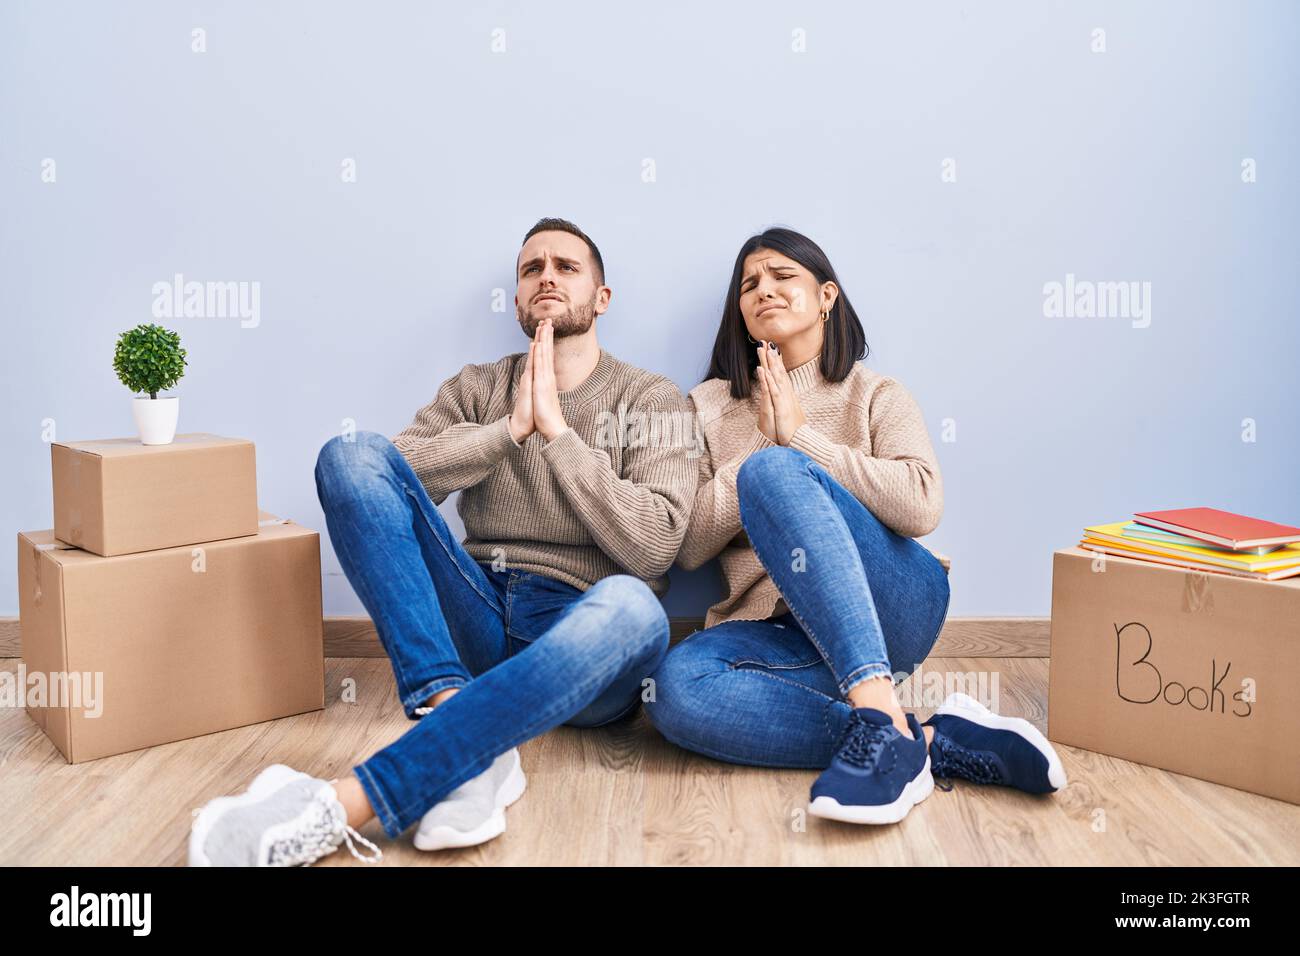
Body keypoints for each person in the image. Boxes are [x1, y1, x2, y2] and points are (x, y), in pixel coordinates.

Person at [188, 218, 697, 865]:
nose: (546, 276)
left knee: (635, 607)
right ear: (515, 299)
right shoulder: (476, 387)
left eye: (566, 266)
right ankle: (457, 720)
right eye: (530, 268)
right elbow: (383, 478)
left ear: (602, 297)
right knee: (347, 452)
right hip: (476, 610)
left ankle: (360, 794)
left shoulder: (652, 398)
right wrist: (507, 431)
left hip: (584, 632)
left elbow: (655, 544)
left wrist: (558, 436)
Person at [645, 227, 1066, 825]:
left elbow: (922, 505)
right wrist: (760, 449)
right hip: (781, 640)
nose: (764, 289)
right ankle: (914, 736)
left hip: (892, 604)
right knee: (674, 689)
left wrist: (800, 443)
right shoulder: (708, 405)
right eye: (749, 284)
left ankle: (877, 715)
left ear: (827, 297)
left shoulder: (874, 393)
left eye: (782, 276)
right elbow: (685, 548)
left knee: (776, 470)